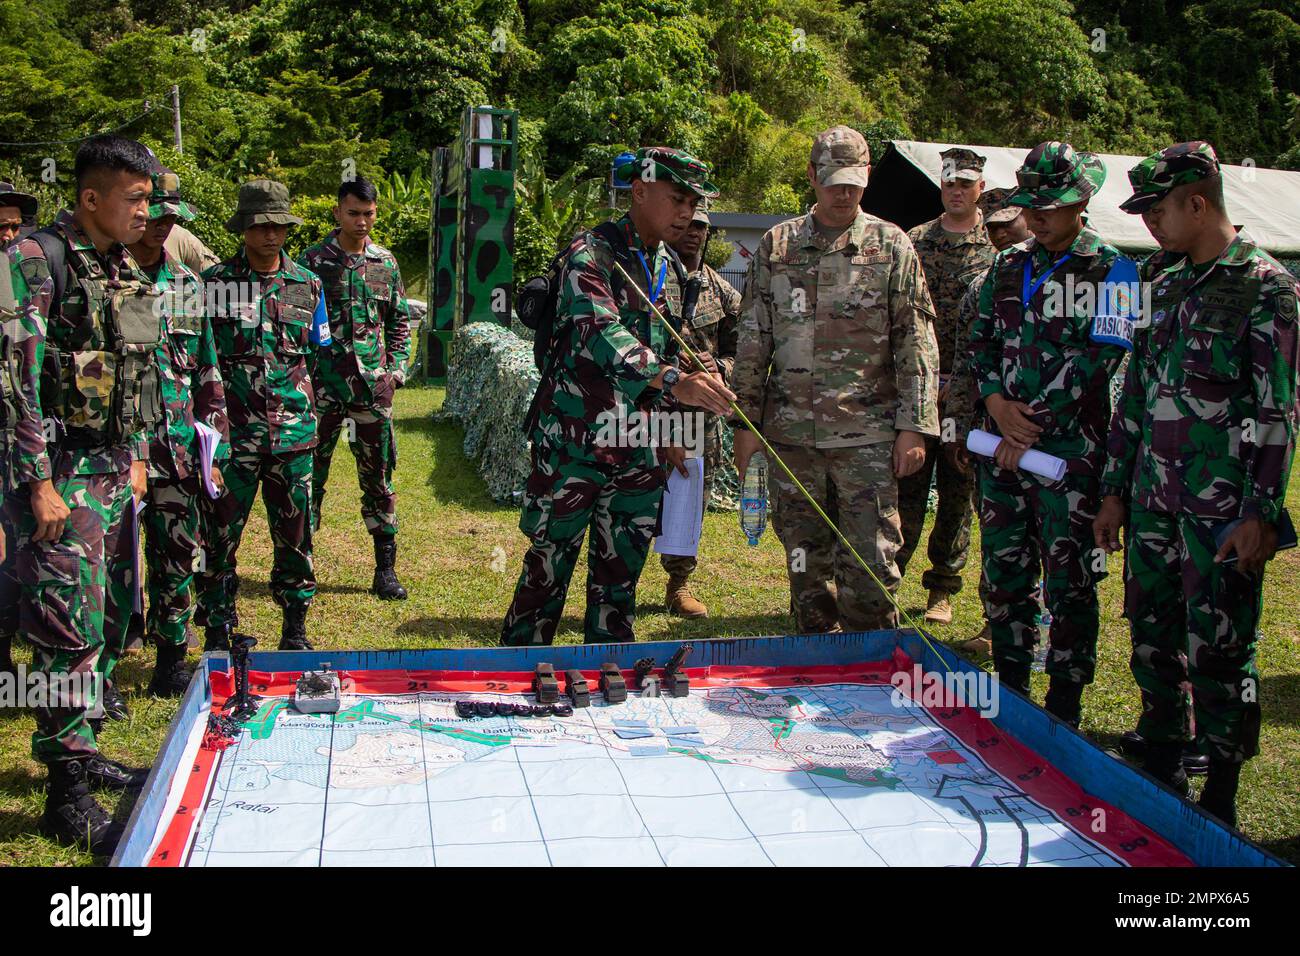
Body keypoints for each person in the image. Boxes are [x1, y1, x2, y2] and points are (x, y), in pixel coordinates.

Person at [1094, 141, 1300, 825]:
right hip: (1152, 500)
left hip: (1221, 508)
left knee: (1220, 649)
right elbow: (1135, 394)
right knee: (1152, 637)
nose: (1149, 222)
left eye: (1157, 209)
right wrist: (1116, 491)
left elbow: (1278, 411)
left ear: (1199, 201)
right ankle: (1161, 753)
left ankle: (1222, 785)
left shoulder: (1266, 287)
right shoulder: (1161, 279)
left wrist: (1260, 511)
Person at [500, 147, 734, 646]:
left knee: (621, 568)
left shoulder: (666, 263)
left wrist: (673, 428)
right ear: (641, 190)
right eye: (677, 199)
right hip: (576, 437)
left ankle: (608, 666)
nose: (686, 213)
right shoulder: (591, 253)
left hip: (641, 442)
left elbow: (669, 339)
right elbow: (601, 333)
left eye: (693, 203)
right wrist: (674, 380)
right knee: (549, 563)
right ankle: (518, 668)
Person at [4, 134, 159, 854]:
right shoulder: (32, 260)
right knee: (62, 630)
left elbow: (136, 373)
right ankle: (63, 796)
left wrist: (134, 459)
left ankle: (85, 746)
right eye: (134, 198)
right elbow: (15, 382)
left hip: (104, 473)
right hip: (56, 476)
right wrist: (37, 483)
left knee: (98, 618)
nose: (145, 211)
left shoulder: (120, 266)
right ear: (91, 198)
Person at [732, 125, 940, 633]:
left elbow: (916, 338)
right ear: (810, 176)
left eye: (853, 181)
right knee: (806, 569)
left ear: (867, 177)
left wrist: (915, 425)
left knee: (871, 567)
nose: (843, 193)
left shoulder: (892, 246)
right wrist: (744, 423)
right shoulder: (777, 245)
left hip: (867, 438)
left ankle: (870, 672)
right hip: (791, 437)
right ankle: (819, 671)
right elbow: (754, 338)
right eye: (832, 181)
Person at [967, 141, 1129, 726]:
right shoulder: (1009, 266)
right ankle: (1010, 694)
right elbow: (980, 341)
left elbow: (1102, 358)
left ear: (1081, 200)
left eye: (1050, 206)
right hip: (1002, 451)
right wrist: (994, 402)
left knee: (1070, 581)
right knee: (1005, 573)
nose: (1037, 216)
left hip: (1069, 455)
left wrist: (1026, 420)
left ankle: (1064, 707)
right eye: (1030, 205)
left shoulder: (1116, 270)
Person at [195, 180, 329, 652]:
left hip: (293, 435)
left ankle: (295, 626)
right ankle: (217, 625)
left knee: (295, 535)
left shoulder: (308, 283)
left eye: (279, 225)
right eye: (261, 226)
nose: (272, 235)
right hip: (232, 437)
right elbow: (196, 358)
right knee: (218, 537)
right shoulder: (213, 285)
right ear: (244, 228)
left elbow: (317, 351)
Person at [126, 169, 229, 695]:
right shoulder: (109, 281)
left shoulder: (188, 286)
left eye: (172, 218)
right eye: (156, 216)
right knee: (113, 563)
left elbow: (206, 371)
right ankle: (101, 675)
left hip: (177, 449)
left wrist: (214, 442)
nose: (163, 227)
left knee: (176, 552)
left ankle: (171, 658)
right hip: (117, 449)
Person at [298, 177, 412, 600]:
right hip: (321, 389)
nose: (361, 222)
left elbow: (399, 321)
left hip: (371, 390)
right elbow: (296, 325)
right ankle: (300, 564)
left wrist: (395, 371)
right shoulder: (311, 262)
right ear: (337, 213)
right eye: (353, 213)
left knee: (379, 480)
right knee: (310, 479)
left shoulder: (386, 263)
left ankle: (385, 572)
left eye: (368, 213)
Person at [899, 148, 996, 625]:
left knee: (957, 492)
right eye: (950, 183)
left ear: (980, 188)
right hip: (916, 389)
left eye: (966, 183)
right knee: (906, 489)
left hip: (970, 393)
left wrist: (962, 386)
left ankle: (942, 588)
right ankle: (889, 576)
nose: (957, 191)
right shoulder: (916, 240)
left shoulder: (995, 246)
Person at [942, 187, 1030, 658]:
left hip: (1054, 438)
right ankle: (997, 625)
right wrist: (956, 427)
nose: (999, 236)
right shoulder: (983, 287)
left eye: (1008, 226)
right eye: (992, 228)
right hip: (988, 434)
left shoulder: (1081, 275)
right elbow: (964, 366)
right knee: (999, 534)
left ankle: (1040, 631)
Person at [659, 202, 740, 618]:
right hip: (652, 408)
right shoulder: (652, 276)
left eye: (703, 227)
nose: (694, 232)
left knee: (688, 498)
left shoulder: (721, 290)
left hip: (698, 418)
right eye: (688, 224)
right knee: (640, 497)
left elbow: (745, 348)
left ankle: (679, 583)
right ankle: (618, 582)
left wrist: (721, 367)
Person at [0, 179, 38, 681]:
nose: (7, 237)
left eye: (13, 226)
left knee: (18, 552)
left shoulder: (29, 284)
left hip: (23, 444)